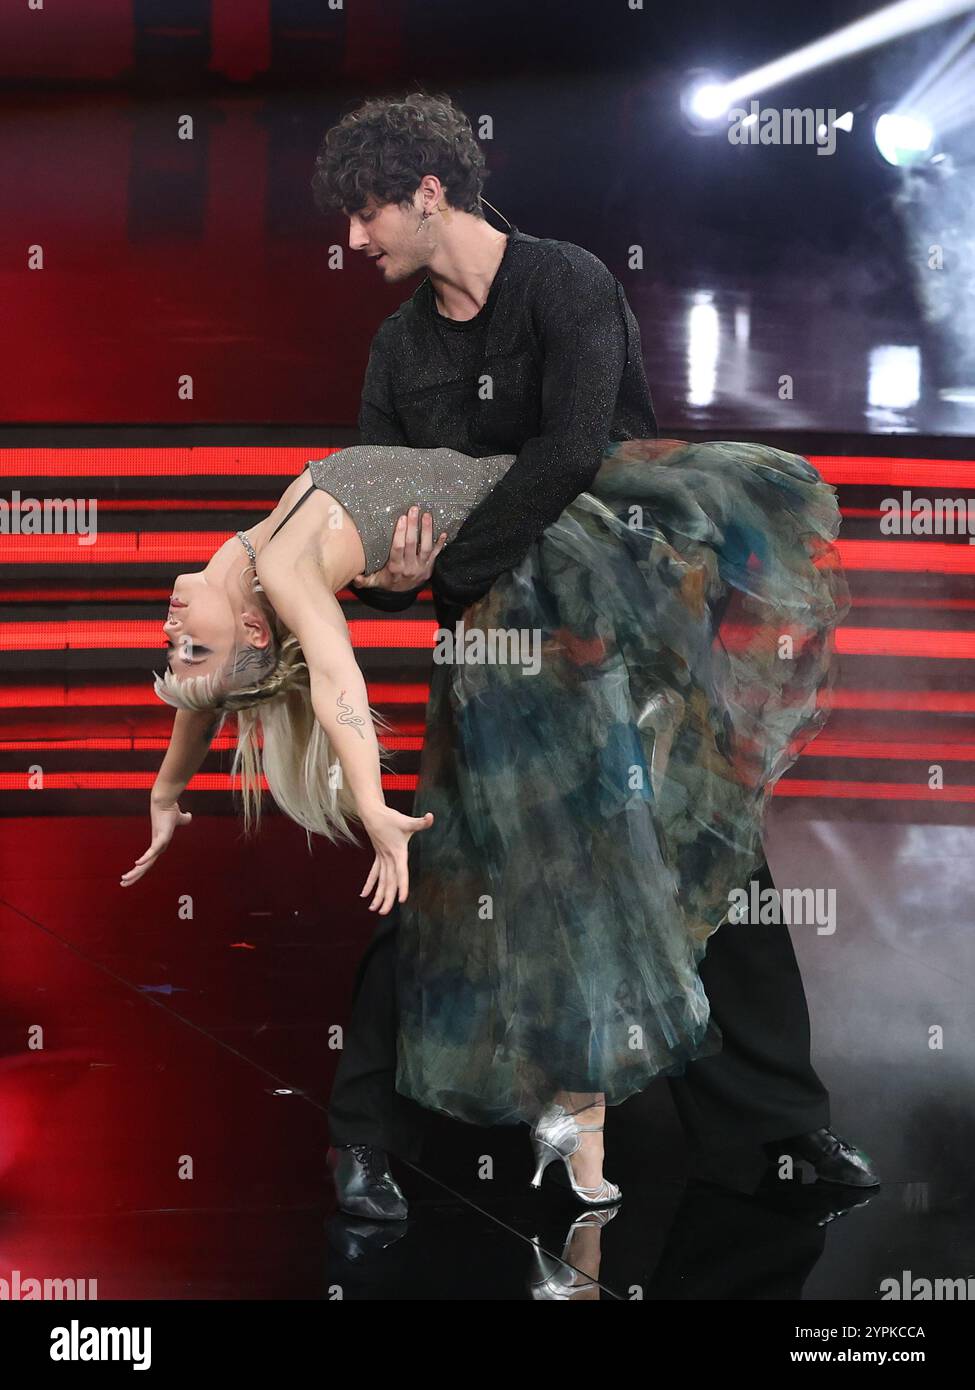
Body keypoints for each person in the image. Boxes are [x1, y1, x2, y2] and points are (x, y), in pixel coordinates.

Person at [308, 91, 879, 1218]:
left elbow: (578, 450)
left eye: (367, 212)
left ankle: (778, 1137)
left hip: (622, 645)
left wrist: (454, 559)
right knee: (439, 874)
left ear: (428, 192)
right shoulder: (400, 346)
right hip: (491, 660)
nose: (353, 238)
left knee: (705, 865)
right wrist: (389, 561)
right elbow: (379, 496)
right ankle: (363, 1140)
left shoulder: (566, 282)